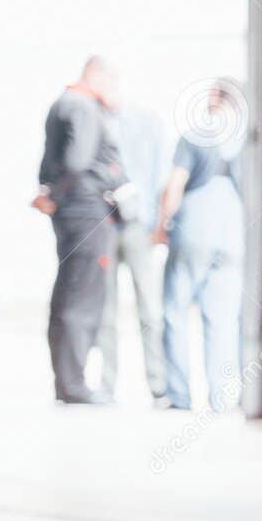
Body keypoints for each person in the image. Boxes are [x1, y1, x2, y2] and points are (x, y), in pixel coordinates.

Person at [33, 57, 125, 405]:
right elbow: (77, 160)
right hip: (87, 214)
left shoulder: (62, 103)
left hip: (71, 213)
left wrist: (51, 194)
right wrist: (55, 194)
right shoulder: (84, 106)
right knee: (83, 299)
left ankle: (67, 383)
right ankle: (74, 386)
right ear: (97, 77)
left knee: (68, 293)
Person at [154, 83, 245, 413]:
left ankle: (180, 396)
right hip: (233, 231)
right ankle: (222, 398)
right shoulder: (245, 141)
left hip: (195, 226)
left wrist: (161, 226)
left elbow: (175, 184)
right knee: (222, 319)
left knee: (175, 310)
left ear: (213, 100)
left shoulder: (196, 135)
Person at [98, 96, 170, 405]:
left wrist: (157, 225)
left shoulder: (148, 122)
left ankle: (158, 386)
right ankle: (107, 386)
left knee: (149, 309)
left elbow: (161, 174)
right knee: (107, 309)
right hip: (106, 225)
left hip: (138, 226)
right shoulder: (97, 121)